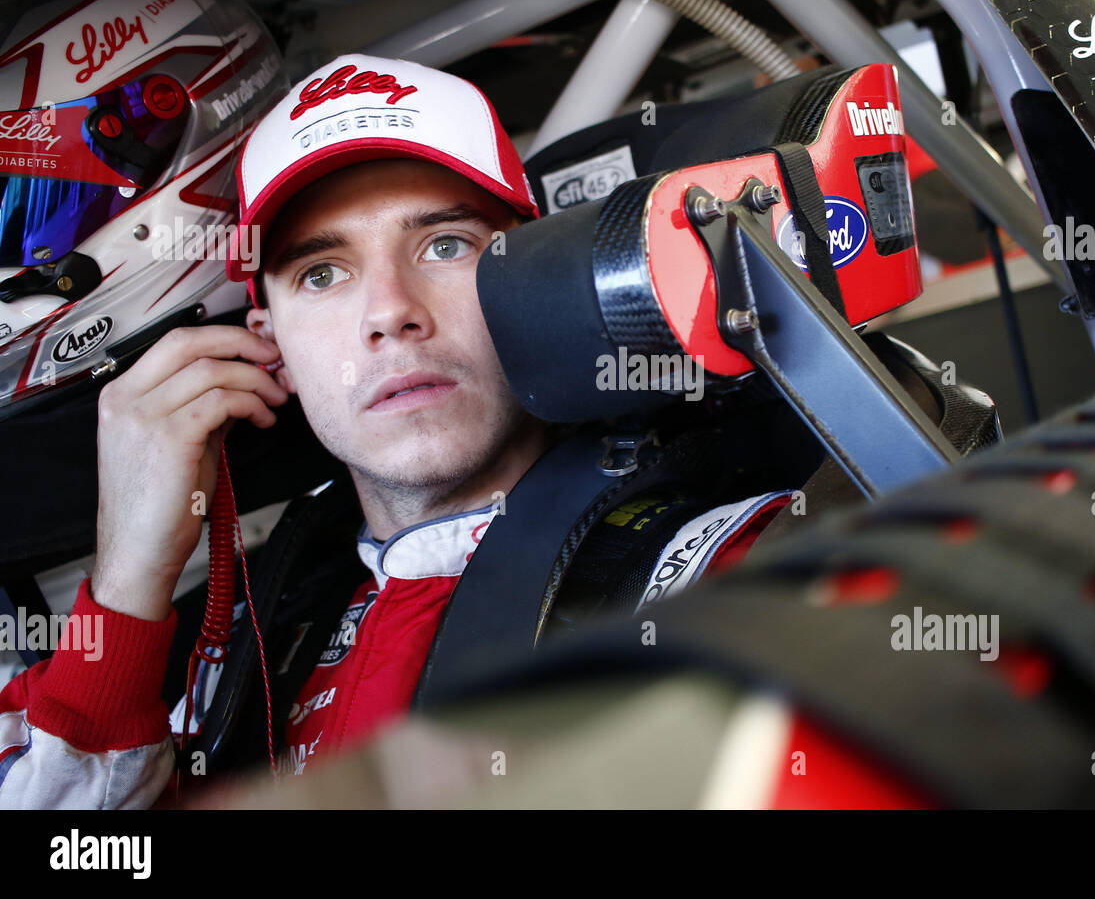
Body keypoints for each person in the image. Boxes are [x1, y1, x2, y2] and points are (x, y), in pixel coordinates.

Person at [0, 55, 799, 808]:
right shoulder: (244, 653)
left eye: (444, 245)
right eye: (323, 273)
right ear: (266, 344)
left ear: (537, 278)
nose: (390, 312)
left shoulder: (725, 574)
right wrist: (130, 578)